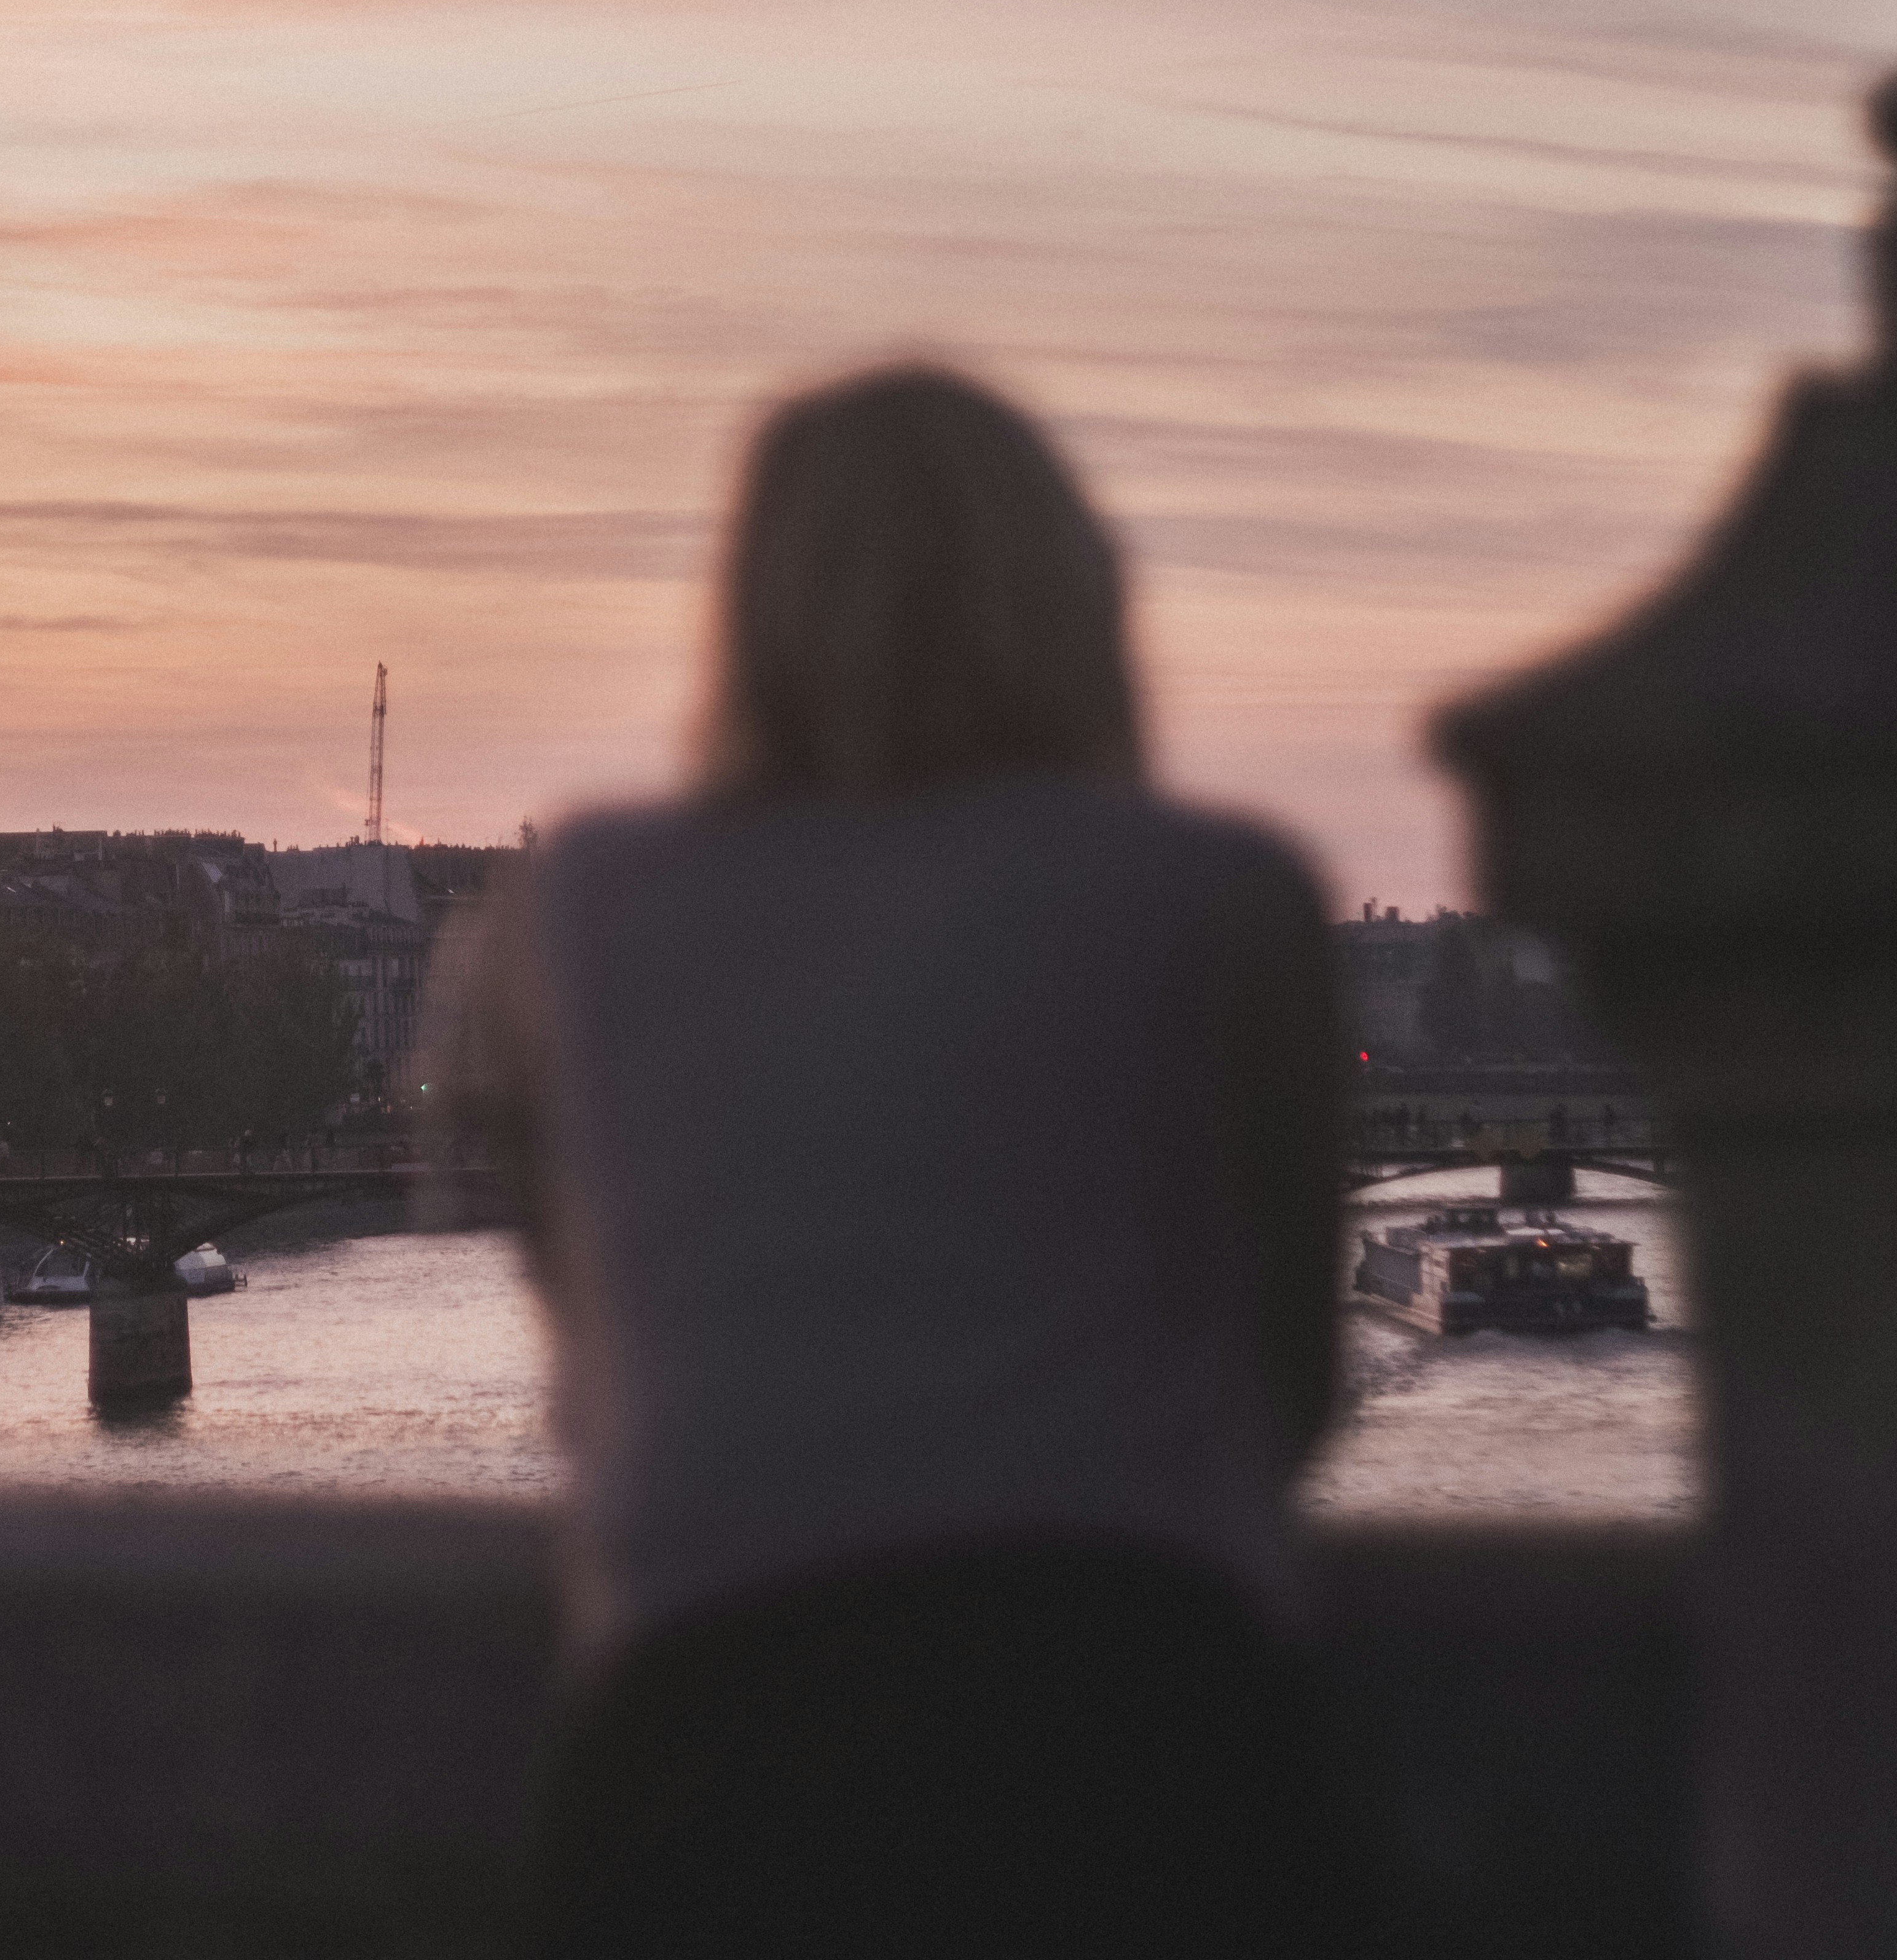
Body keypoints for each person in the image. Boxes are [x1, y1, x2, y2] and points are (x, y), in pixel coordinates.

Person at [434, 364, 1349, 1956]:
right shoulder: (1224, 895)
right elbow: (1295, 1385)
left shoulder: (578, 910)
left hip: (713, 1754)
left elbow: (600, 1354)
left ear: (747, 608)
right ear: (1079, 597)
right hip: (1136, 1730)